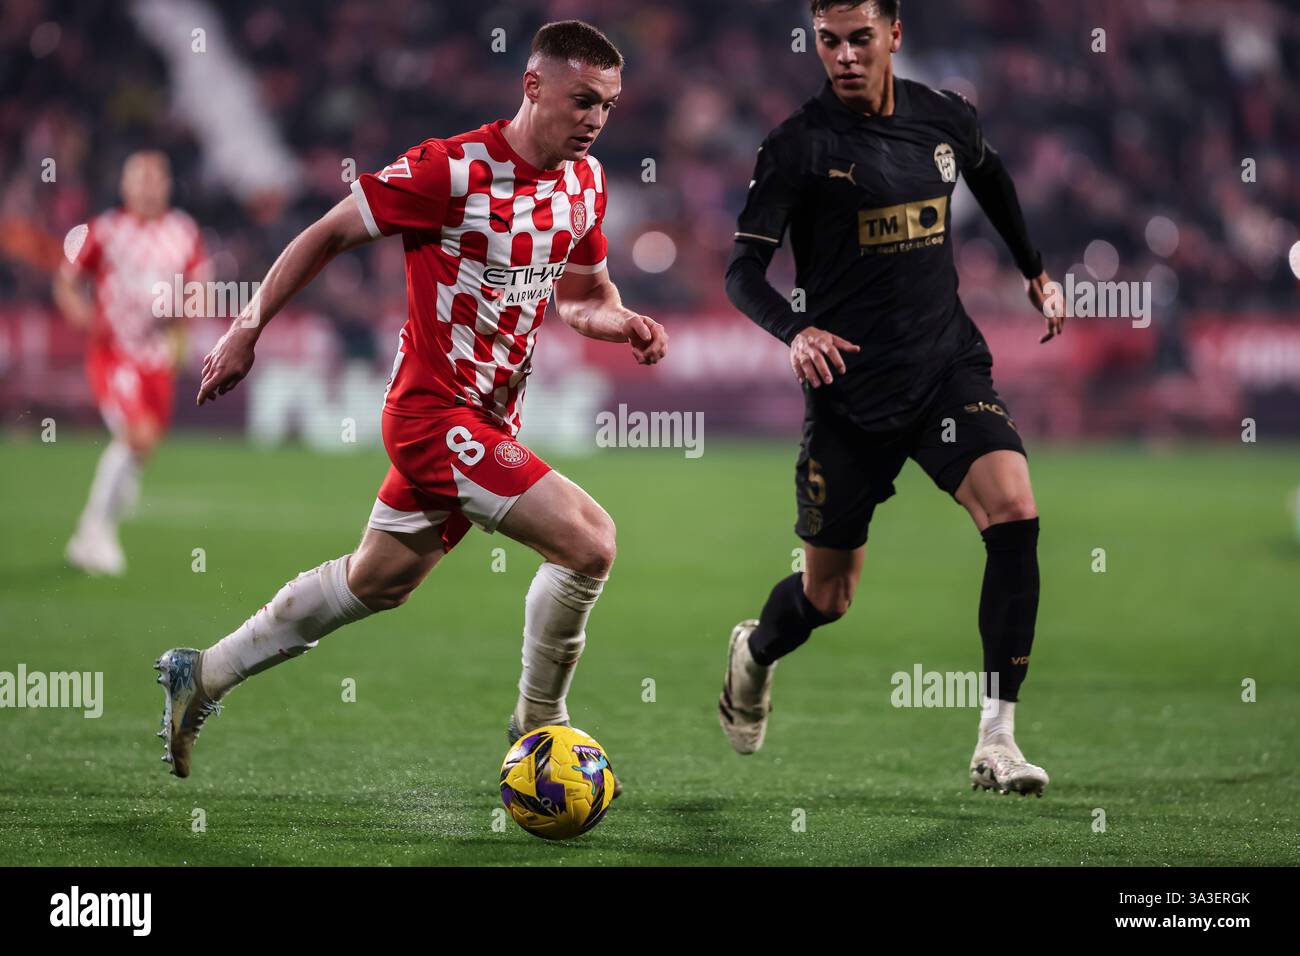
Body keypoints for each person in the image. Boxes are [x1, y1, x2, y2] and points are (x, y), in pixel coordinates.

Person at [153, 21, 667, 792]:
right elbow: (326, 234)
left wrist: (618, 322)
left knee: (377, 582)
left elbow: (585, 298)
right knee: (590, 542)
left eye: (609, 105)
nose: (596, 119)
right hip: (434, 415)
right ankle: (538, 725)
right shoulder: (449, 169)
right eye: (583, 100)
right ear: (533, 88)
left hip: (490, 420)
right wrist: (248, 328)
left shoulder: (585, 184)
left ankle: (204, 672)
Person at [719, 0, 1062, 796]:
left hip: (945, 367)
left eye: (860, 39)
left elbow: (991, 174)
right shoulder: (797, 146)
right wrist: (794, 332)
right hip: (849, 394)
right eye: (828, 41)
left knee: (1014, 514)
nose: (843, 56)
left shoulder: (943, 116)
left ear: (894, 36)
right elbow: (741, 272)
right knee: (828, 596)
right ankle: (755, 651)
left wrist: (1033, 267)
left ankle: (998, 740)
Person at [56, 150, 207, 576]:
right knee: (136, 436)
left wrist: (183, 324)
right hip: (114, 353)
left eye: (154, 178)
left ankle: (92, 531)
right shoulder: (105, 230)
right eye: (138, 178)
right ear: (124, 185)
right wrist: (81, 315)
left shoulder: (184, 231)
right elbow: (66, 281)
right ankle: (94, 535)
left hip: (158, 358)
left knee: (141, 448)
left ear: (167, 184)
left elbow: (199, 287)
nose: (147, 186)